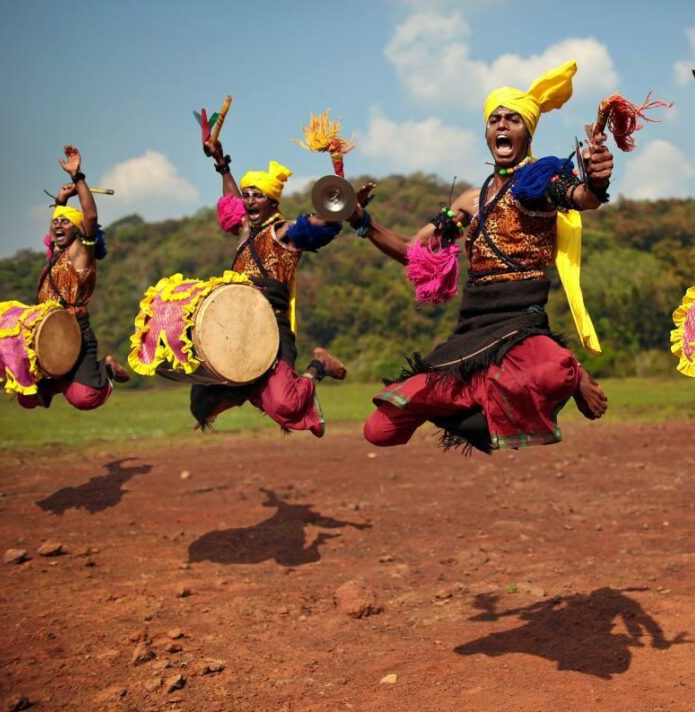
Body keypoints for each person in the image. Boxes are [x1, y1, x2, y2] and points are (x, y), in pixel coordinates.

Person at [353, 59, 611, 453]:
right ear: (487, 133)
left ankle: (573, 374)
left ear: (527, 131)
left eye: (513, 119)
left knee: (555, 372)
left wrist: (596, 178)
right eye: (495, 120)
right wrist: (362, 222)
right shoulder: (471, 201)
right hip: (474, 327)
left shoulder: (539, 179)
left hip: (521, 322)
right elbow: (413, 251)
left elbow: (583, 198)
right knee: (379, 430)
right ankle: (473, 396)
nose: (502, 125)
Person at [191, 133, 350, 435]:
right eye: (247, 194)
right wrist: (221, 162)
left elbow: (326, 221)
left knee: (286, 407)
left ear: (272, 201)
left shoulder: (285, 230)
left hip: (269, 324)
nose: (249, 200)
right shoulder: (243, 230)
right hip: (236, 324)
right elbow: (231, 201)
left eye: (257, 195)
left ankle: (318, 366)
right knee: (201, 404)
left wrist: (337, 171)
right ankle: (251, 386)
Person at [19, 145, 128, 410]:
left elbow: (90, 216)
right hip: (46, 330)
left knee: (84, 399)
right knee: (26, 396)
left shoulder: (81, 254)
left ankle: (106, 369)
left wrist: (78, 178)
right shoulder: (53, 254)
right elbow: (57, 223)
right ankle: (56, 383)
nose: (57, 224)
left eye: (66, 222)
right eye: (55, 222)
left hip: (76, 332)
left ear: (79, 231)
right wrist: (60, 203)